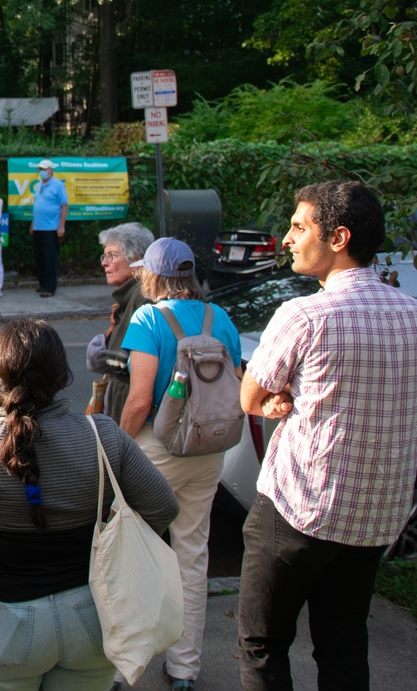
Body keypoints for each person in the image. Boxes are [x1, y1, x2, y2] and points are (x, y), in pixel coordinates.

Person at [0, 318, 179, 691]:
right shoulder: (104, 437)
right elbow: (163, 507)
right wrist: (113, 548)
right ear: (61, 376)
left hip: (3, 626)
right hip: (95, 618)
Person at [237, 181, 417, 691]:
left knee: (261, 644)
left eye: (299, 227)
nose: (287, 239)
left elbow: (250, 397)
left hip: (297, 509)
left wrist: (277, 398)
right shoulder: (415, 315)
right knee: (344, 646)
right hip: (373, 517)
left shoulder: (304, 315)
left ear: (339, 238)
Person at [116, 237, 242, 691]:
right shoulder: (219, 318)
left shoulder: (148, 318)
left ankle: (122, 667)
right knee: (192, 553)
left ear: (152, 275)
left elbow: (139, 400)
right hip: (206, 449)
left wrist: (118, 446)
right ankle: (184, 669)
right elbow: (236, 380)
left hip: (158, 449)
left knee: (131, 553)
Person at [85, 221, 155, 424]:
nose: (104, 263)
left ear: (136, 260)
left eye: (112, 255)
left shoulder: (141, 298)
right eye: (104, 256)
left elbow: (104, 361)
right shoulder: (130, 298)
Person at [30, 160, 68, 297]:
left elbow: (64, 206)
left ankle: (50, 288)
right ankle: (43, 284)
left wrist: (61, 226)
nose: (42, 171)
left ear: (51, 170)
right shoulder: (39, 185)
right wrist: (33, 224)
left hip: (51, 228)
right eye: (40, 169)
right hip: (38, 227)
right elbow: (37, 206)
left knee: (50, 258)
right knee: (39, 258)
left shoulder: (58, 185)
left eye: (44, 169)